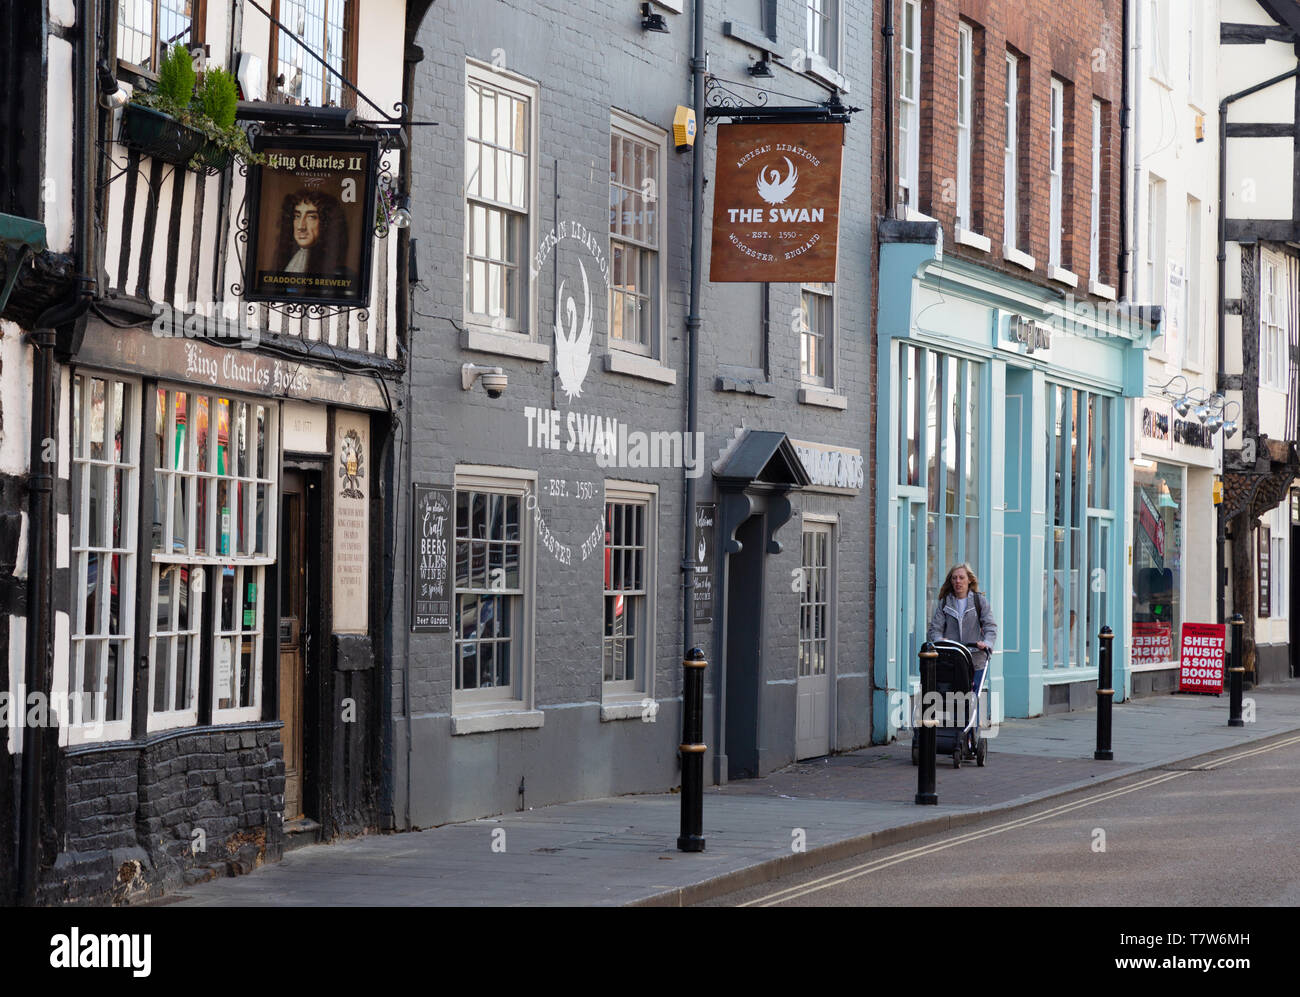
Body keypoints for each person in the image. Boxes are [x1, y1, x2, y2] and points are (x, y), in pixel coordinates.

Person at [927, 563, 997, 730]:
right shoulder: (945, 603)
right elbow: (934, 629)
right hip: (953, 659)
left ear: (969, 580)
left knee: (971, 697)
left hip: (976, 659)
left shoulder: (980, 601)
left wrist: (986, 644)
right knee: (951, 696)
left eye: (961, 578)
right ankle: (950, 732)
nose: (958, 581)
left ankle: (971, 735)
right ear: (951, 581)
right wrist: (939, 640)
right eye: (954, 578)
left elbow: (990, 627)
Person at [265, 188, 353, 293]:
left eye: (311, 217)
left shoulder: (340, 275)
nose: (301, 226)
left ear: (326, 223)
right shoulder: (285, 260)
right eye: (297, 216)